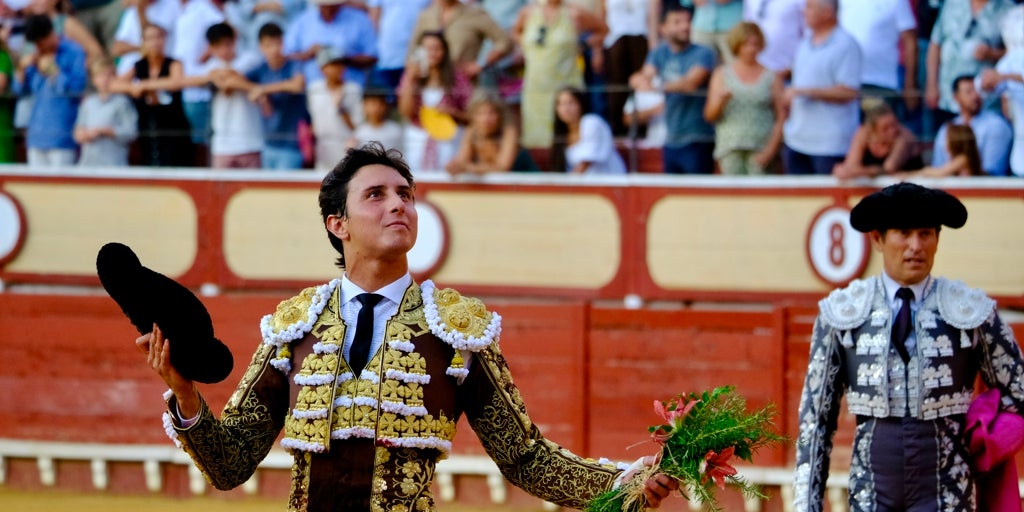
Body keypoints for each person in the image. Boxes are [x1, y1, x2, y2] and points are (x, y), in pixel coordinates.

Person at [136, 142, 679, 511]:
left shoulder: (455, 331)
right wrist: (182, 393)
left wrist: (626, 485)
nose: (399, 205)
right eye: (377, 195)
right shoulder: (293, 326)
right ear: (338, 224)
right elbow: (229, 464)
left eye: (406, 195)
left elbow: (526, 457)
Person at [792, 181, 1024, 511]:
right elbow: (816, 421)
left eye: (926, 234)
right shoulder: (843, 313)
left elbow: (1020, 393)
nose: (916, 246)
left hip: (947, 492)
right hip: (871, 493)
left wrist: (987, 439)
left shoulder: (971, 311)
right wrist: (806, 506)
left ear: (937, 239)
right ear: (877, 239)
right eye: (904, 232)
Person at [630, 3, 715, 174]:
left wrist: (655, 85)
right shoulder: (660, 53)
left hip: (698, 138)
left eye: (687, 21)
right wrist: (643, 80)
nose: (685, 26)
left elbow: (690, 83)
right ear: (663, 28)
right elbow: (640, 78)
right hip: (671, 138)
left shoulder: (703, 53)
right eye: (677, 22)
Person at [780, 0, 861, 175]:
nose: (804, 11)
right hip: (797, 138)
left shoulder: (846, 45)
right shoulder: (805, 42)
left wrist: (805, 92)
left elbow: (849, 92)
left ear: (827, 13)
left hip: (829, 144)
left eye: (810, 7)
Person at [513, 0, 606, 148]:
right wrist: (526, 49)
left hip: (566, 88)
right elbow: (516, 32)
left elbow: (603, 29)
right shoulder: (528, 12)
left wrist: (584, 45)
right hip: (536, 89)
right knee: (537, 140)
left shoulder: (574, 13)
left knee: (569, 139)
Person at [703, 21, 783, 175]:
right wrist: (721, 101)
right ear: (737, 45)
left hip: (761, 146)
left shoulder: (771, 76)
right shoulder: (722, 74)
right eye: (746, 44)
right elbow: (710, 115)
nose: (751, 49)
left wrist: (770, 151)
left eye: (755, 44)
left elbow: (780, 117)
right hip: (730, 147)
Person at [114, 23, 195, 168]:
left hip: (173, 130)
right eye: (150, 38)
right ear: (143, 42)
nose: (155, 42)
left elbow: (177, 82)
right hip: (148, 129)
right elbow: (115, 85)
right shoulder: (139, 65)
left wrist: (145, 85)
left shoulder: (173, 63)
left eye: (159, 37)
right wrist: (133, 88)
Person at [16, 13, 87, 167]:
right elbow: (19, 91)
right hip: (36, 135)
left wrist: (54, 72)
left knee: (63, 187)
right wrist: (21, 69)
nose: (37, 47)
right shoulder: (36, 55)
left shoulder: (74, 52)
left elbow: (77, 90)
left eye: (39, 43)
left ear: (49, 35)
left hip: (62, 135)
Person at [925, 0, 1013, 122]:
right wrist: (931, 84)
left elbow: (1017, 54)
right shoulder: (951, 4)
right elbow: (935, 44)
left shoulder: (1008, 9)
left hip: (986, 102)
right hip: (947, 96)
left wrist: (993, 54)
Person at [397, 31, 472, 173]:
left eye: (436, 48)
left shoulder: (457, 78)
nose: (432, 53)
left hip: (449, 142)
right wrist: (411, 79)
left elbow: (471, 117)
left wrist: (452, 112)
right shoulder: (411, 76)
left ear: (444, 51)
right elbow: (405, 112)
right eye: (427, 48)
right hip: (417, 142)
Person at [193, 22, 264, 169]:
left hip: (251, 142)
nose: (224, 50)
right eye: (217, 47)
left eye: (227, 44)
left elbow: (228, 79)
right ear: (210, 48)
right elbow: (193, 80)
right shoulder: (211, 66)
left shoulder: (250, 59)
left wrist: (220, 78)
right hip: (222, 144)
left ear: (234, 41)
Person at [244, 22, 307, 170]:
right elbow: (232, 79)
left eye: (277, 44)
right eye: (268, 45)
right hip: (267, 145)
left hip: (292, 146)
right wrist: (255, 90)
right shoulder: (261, 68)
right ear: (261, 47)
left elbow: (297, 85)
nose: (274, 49)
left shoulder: (294, 65)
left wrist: (263, 90)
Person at [837, 0, 918, 114]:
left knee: (881, 130)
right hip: (844, 82)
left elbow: (910, 42)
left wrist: (910, 83)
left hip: (881, 83)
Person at [408, 0, 513, 82]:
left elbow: (505, 42)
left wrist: (480, 64)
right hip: (431, 84)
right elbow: (412, 49)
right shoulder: (426, 15)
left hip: (463, 84)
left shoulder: (474, 14)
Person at [931, 74, 1012, 176]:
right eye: (969, 92)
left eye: (978, 91)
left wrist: (962, 165)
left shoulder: (997, 125)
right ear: (956, 97)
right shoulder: (946, 129)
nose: (975, 96)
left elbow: (993, 173)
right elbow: (937, 167)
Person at [284, 0, 378, 86]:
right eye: (325, 5)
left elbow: (372, 57)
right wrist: (307, 54)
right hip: (311, 92)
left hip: (351, 89)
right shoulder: (302, 21)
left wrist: (341, 57)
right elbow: (286, 55)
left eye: (332, 5)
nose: (328, 9)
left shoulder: (359, 20)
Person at [601, 0, 659, 136]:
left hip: (641, 41)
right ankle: (617, 131)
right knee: (616, 90)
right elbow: (603, 18)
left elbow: (653, 17)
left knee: (641, 87)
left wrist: (654, 52)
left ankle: (640, 132)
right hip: (615, 42)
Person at [445, 94, 537, 175]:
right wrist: (454, 166)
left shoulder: (508, 131)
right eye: (481, 114)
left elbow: (502, 167)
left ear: (500, 116)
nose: (486, 119)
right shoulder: (471, 131)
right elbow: (462, 160)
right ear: (473, 116)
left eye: (491, 113)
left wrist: (469, 168)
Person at [832, 99, 923, 179]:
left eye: (894, 124)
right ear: (872, 130)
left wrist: (859, 172)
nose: (893, 131)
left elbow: (889, 168)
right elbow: (851, 165)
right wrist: (846, 171)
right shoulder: (864, 133)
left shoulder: (904, 137)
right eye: (885, 128)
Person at [306, 47, 363, 170]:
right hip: (322, 145)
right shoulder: (314, 89)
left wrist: (340, 107)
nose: (338, 68)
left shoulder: (353, 89)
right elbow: (312, 119)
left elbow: (356, 125)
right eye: (332, 65)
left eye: (340, 64)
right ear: (322, 68)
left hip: (345, 144)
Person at [74, 58, 138, 166]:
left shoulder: (122, 102)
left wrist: (105, 131)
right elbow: (78, 130)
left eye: (109, 75)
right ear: (94, 79)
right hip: (88, 164)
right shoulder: (88, 103)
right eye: (100, 75)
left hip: (113, 164)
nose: (105, 79)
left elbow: (131, 133)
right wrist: (83, 135)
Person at [551, 86, 626, 174]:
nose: (566, 109)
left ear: (580, 104)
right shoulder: (561, 134)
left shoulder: (591, 122)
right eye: (561, 104)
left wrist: (569, 184)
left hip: (609, 181)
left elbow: (586, 162)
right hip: (582, 184)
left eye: (571, 102)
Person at [742, 0, 804, 78]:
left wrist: (793, 67)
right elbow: (747, 29)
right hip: (757, 75)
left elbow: (809, 34)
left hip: (787, 72)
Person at [908, 124, 985, 177]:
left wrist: (910, 175)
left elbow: (940, 173)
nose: (945, 144)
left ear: (955, 143)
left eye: (947, 140)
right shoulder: (961, 159)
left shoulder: (963, 159)